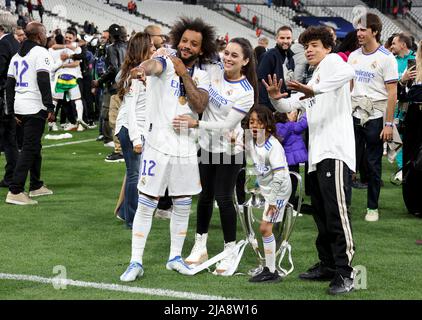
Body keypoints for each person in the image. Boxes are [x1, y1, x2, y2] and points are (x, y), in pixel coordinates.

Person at [120, 17, 215, 282]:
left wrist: (184, 73)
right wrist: (142, 68)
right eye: (184, 40)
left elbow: (199, 105)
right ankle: (135, 261)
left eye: (193, 44)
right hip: (158, 147)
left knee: (183, 204)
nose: (186, 46)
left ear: (201, 49)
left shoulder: (204, 76)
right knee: (147, 203)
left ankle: (175, 257)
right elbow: (152, 66)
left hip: (185, 150)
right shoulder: (164, 60)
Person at [263, 26, 356, 295]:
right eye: (306, 46)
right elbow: (288, 106)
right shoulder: (314, 77)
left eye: (314, 44)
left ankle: (345, 272)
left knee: (337, 214)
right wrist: (273, 97)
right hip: (316, 157)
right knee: (322, 214)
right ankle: (327, 264)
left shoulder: (334, 62)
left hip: (335, 153)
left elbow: (349, 72)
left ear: (327, 47)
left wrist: (314, 91)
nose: (309, 50)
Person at [172, 37, 257, 275]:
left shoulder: (246, 91)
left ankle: (230, 250)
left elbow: (228, 125)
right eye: (226, 53)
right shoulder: (213, 72)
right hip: (207, 147)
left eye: (234, 56)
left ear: (245, 61)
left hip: (230, 151)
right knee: (205, 196)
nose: (228, 58)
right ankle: (200, 245)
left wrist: (195, 124)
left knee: (223, 198)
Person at [348, 13, 398, 222]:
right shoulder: (353, 56)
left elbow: (392, 93)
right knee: (349, 162)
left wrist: (388, 124)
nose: (358, 33)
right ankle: (345, 205)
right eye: (357, 29)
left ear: (375, 31)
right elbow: (349, 87)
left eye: (363, 30)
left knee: (373, 163)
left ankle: (372, 207)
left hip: (376, 116)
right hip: (354, 113)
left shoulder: (387, 57)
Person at [5, 22, 54, 205]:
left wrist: (11, 110)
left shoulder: (16, 56)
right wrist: (50, 106)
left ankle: (35, 185)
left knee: (34, 146)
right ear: (40, 36)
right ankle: (15, 190)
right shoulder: (41, 53)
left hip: (20, 106)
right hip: (35, 107)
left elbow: (9, 86)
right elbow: (43, 80)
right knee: (29, 148)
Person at [114, 32, 155, 228]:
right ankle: (132, 219)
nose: (154, 50)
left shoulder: (140, 72)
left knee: (137, 174)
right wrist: (136, 139)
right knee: (134, 174)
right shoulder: (135, 75)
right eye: (151, 47)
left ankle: (125, 212)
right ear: (143, 50)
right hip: (131, 129)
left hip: (138, 129)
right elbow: (130, 109)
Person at [247, 105, 291, 283]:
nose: (254, 125)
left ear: (268, 125)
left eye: (259, 122)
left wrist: (272, 200)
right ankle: (269, 268)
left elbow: (280, 175)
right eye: (252, 121)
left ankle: (271, 271)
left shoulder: (273, 146)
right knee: (266, 229)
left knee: (265, 228)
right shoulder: (252, 141)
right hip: (267, 190)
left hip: (278, 191)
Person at [399, 40, 422, 217]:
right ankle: (412, 202)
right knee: (411, 159)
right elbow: (403, 97)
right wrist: (403, 81)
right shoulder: (413, 68)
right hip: (413, 119)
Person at [0, 24, 20, 189]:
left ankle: (11, 176)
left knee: (8, 138)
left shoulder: (3, 44)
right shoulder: (14, 42)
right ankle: (11, 176)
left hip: (4, 97)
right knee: (9, 140)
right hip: (12, 97)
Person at [275, 110, 308, 207]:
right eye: (291, 112)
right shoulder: (289, 126)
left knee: (290, 182)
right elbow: (303, 124)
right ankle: (289, 205)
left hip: (289, 160)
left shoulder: (281, 126)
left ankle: (290, 201)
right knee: (292, 183)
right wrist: (307, 113)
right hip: (291, 161)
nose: (295, 114)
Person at [258, 26, 295, 111]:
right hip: (269, 106)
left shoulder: (291, 58)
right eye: (282, 38)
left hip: (283, 105)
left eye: (288, 38)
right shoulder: (269, 56)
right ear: (276, 38)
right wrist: (264, 108)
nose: (285, 41)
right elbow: (260, 82)